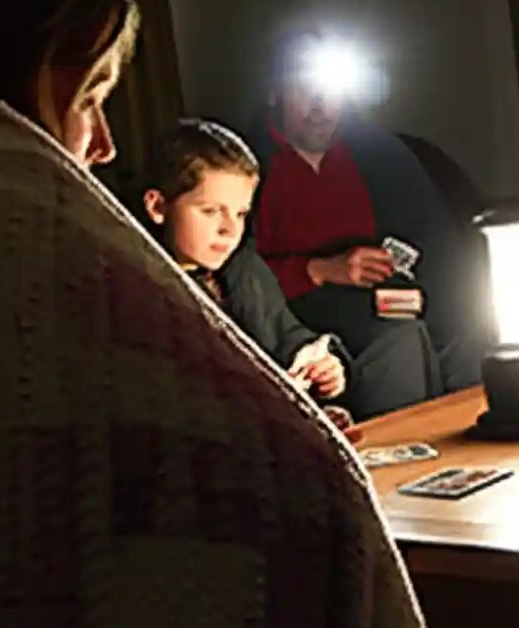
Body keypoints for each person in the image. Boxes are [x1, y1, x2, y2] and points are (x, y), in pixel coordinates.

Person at [0, 0, 442, 628]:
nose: (103, 144)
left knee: (407, 339)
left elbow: (283, 334)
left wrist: (316, 367)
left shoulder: (274, 241)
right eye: (91, 98)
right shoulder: (72, 253)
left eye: (239, 215)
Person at [250, 30, 486, 414]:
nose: (320, 106)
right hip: (305, 314)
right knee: (400, 341)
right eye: (304, 89)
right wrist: (319, 270)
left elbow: (438, 242)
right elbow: (239, 276)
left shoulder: (381, 153)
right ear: (274, 93)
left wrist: (439, 294)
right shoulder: (250, 166)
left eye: (331, 91)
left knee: (474, 325)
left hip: (397, 298)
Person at [141, 117, 366, 436]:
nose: (229, 229)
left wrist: (324, 370)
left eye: (241, 213)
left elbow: (288, 335)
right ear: (158, 207)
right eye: (210, 211)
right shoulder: (143, 291)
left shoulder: (245, 268)